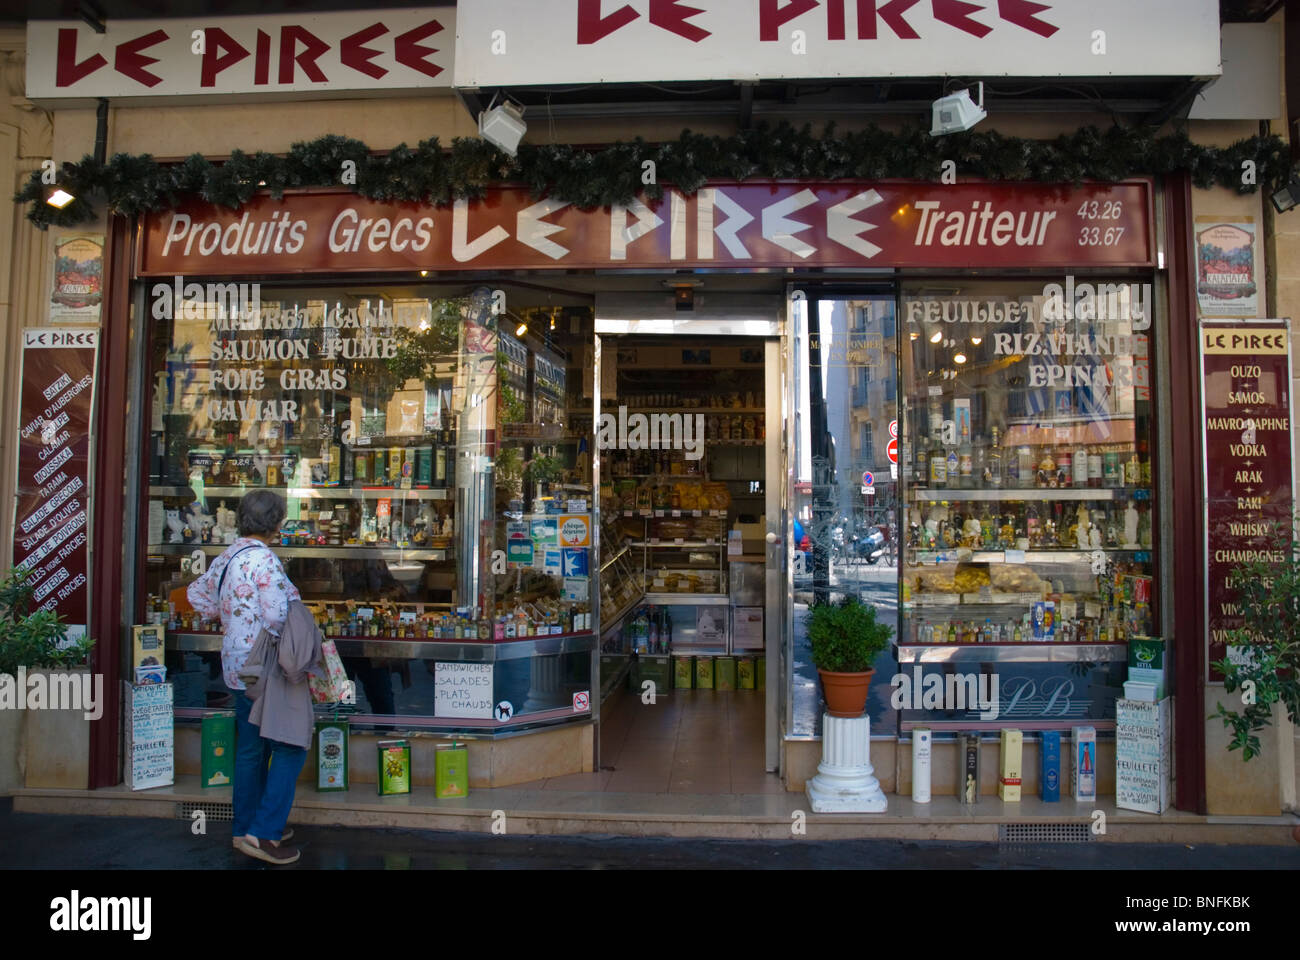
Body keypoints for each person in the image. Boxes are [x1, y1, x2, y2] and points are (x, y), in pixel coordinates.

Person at [187, 489, 304, 865]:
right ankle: (265, 833)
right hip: (267, 667)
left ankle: (243, 829)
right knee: (290, 745)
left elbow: (198, 597)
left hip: (237, 666)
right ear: (276, 523)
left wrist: (233, 616)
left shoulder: (227, 556)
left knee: (252, 748)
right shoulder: (265, 561)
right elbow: (275, 617)